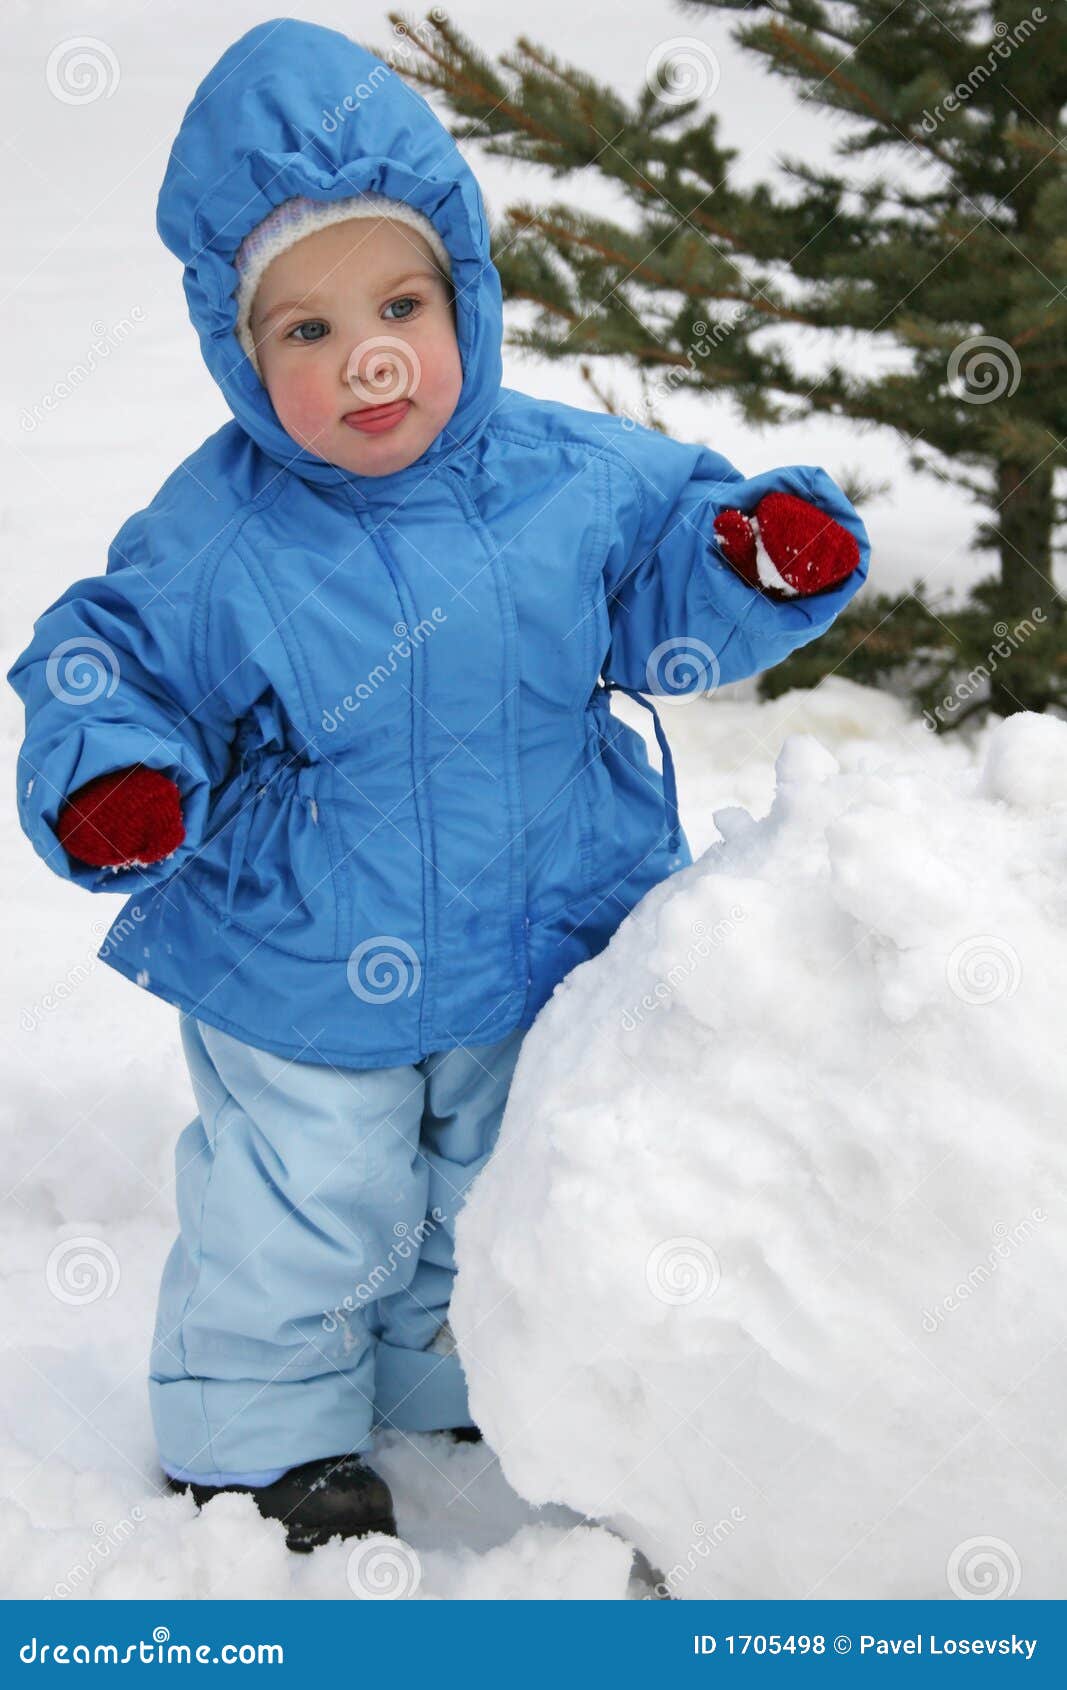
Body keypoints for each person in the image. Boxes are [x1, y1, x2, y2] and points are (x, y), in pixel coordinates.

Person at [7, 18, 870, 1553]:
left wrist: (747, 562)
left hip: (533, 932)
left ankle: (452, 1377)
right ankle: (256, 1430)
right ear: (238, 347)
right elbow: (108, 659)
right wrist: (120, 777)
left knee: (498, 1170)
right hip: (304, 951)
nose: (371, 360)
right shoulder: (224, 534)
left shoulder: (569, 475)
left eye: (401, 303)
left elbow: (665, 575)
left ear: (466, 291)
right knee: (314, 1193)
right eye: (308, 332)